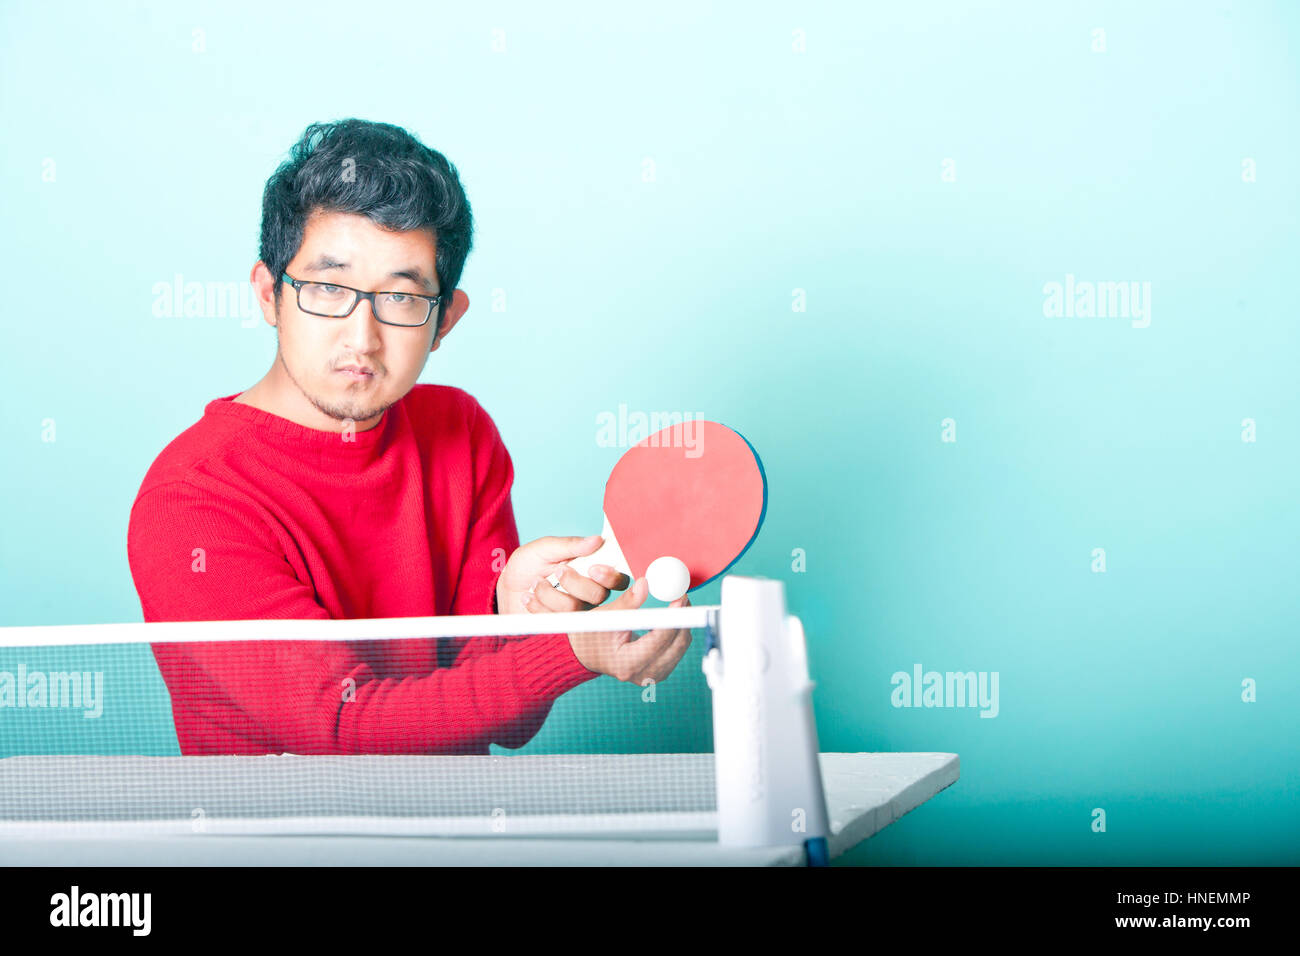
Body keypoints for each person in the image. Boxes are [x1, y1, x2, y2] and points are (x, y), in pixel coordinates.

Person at [127, 118, 692, 755]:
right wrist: (568, 654)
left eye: (401, 298)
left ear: (445, 319)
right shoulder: (192, 497)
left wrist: (513, 615)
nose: (361, 337)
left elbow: (507, 723)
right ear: (268, 294)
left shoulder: (460, 432)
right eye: (327, 288)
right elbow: (346, 724)